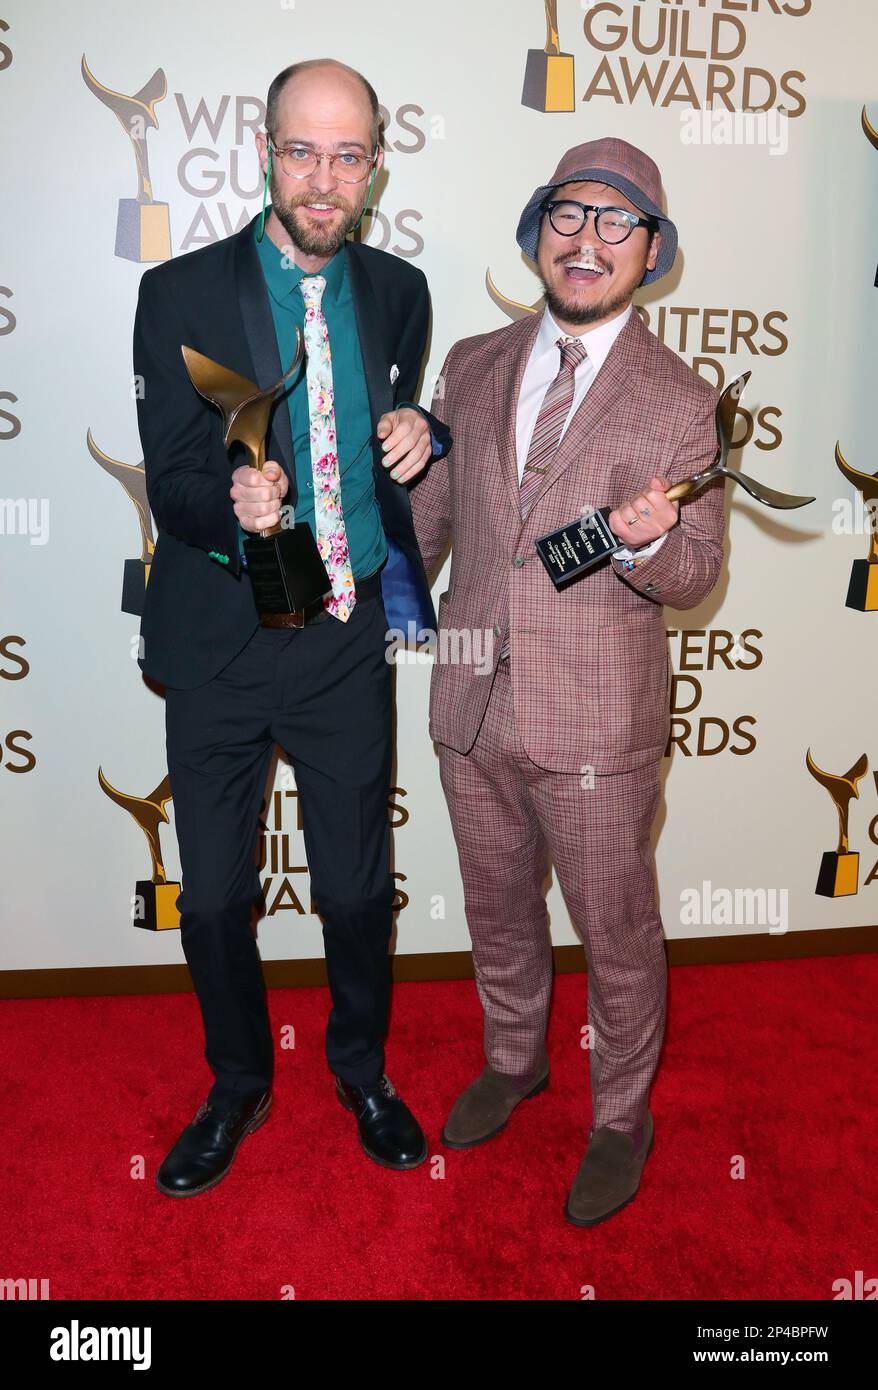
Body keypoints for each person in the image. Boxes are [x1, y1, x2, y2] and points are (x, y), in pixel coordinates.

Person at [133, 58, 451, 1197]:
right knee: (214, 893)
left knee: (357, 887)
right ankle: (235, 1085)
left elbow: (399, 422)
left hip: (339, 634)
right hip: (219, 639)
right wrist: (227, 504)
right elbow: (168, 473)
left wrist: (426, 434)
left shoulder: (400, 288)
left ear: (374, 162)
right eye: (302, 151)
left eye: (347, 154)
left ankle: (359, 1070)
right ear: (264, 150)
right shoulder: (178, 295)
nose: (323, 178)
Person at [410, 138, 724, 1225]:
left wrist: (646, 542)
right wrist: (389, 452)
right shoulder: (471, 361)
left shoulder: (680, 399)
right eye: (567, 215)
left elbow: (694, 577)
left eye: (615, 223)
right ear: (537, 228)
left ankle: (620, 1118)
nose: (585, 240)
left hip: (596, 724)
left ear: (649, 254)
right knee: (495, 911)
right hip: (469, 701)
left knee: (616, 931)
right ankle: (513, 1059)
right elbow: (430, 531)